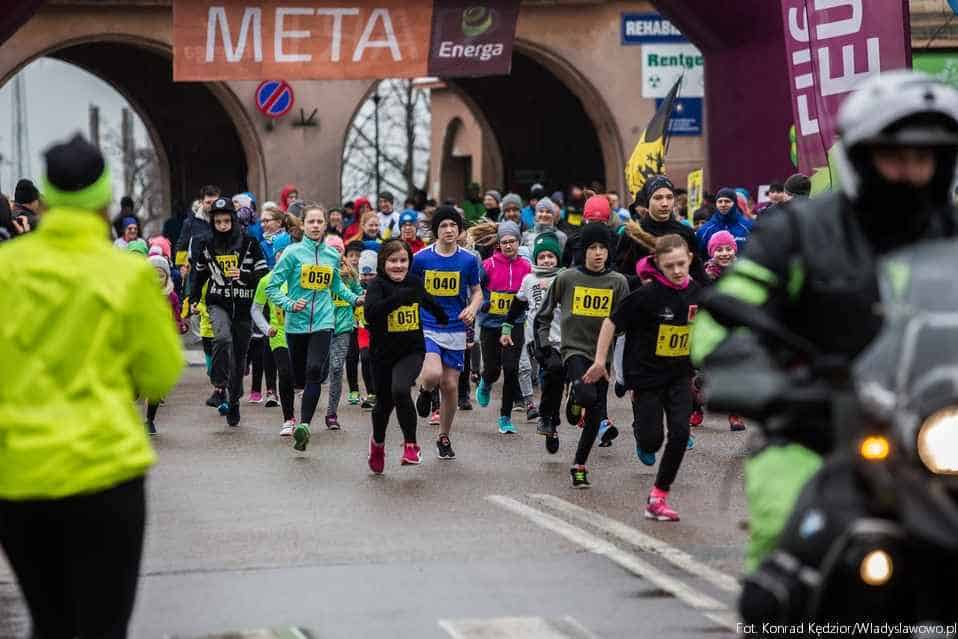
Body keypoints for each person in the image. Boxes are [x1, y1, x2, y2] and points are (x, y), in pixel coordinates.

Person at [691, 70, 958, 576]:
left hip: (930, 429)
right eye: (895, 157)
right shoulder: (799, 231)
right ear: (860, 158)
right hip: (816, 427)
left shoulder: (951, 233)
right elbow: (723, 315)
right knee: (789, 535)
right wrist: (757, 378)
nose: (910, 171)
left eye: (924, 158)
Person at [0, 133, 183, 638]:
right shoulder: (126, 275)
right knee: (104, 626)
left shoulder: (6, 269)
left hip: (19, 475)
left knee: (50, 622)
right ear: (103, 201)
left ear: (46, 201)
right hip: (106, 472)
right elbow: (160, 373)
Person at [584, 234, 698, 520]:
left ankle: (658, 496)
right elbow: (611, 322)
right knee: (651, 442)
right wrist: (599, 360)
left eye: (681, 264)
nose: (676, 271)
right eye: (669, 266)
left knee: (681, 434)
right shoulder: (647, 296)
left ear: (690, 260)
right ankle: (641, 429)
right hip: (647, 377)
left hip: (680, 375)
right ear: (658, 264)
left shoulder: (697, 292)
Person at [534, 223, 629, 488]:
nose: (598, 253)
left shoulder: (618, 282)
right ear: (583, 251)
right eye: (592, 248)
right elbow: (542, 315)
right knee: (587, 396)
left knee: (596, 412)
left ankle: (579, 465)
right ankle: (576, 395)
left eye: (603, 248)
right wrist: (543, 348)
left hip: (603, 356)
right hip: (573, 350)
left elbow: (626, 324)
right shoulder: (567, 278)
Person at [267, 204, 364, 452]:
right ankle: (294, 410)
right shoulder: (292, 253)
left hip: (324, 321)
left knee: (314, 371)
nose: (316, 226)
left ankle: (305, 426)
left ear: (325, 225)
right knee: (299, 376)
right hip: (296, 325)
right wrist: (289, 304)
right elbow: (272, 288)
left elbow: (337, 286)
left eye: (320, 221)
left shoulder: (332, 255)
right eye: (311, 222)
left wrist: (355, 299)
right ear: (303, 225)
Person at [364, 240, 449, 472]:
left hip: (411, 351)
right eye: (393, 261)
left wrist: (443, 316)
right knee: (383, 405)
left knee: (401, 390)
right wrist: (399, 299)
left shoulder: (414, 282)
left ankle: (411, 446)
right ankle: (377, 444)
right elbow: (371, 314)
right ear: (383, 263)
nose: (398, 265)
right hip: (382, 355)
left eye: (403, 260)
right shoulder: (377, 285)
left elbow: (429, 302)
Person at [412, 206, 483, 460]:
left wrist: (472, 308)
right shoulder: (421, 259)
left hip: (456, 327)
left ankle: (444, 436)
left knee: (450, 385)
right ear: (436, 231)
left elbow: (477, 291)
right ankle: (425, 390)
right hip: (428, 325)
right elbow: (410, 288)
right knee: (433, 373)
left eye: (453, 225)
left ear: (460, 230)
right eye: (444, 225)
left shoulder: (468, 260)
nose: (449, 230)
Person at [189, 197, 268, 426]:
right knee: (222, 339)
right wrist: (193, 298)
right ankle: (219, 387)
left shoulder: (250, 243)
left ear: (233, 220)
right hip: (218, 302)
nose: (222, 225)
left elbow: (263, 275)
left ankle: (233, 401)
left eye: (226, 221)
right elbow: (199, 274)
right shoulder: (207, 244)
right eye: (218, 221)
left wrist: (243, 275)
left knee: (239, 360)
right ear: (212, 222)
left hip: (243, 307)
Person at [503, 231, 564, 453]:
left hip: (564, 338)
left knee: (559, 380)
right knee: (551, 373)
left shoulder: (565, 278)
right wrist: (507, 326)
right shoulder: (529, 279)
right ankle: (547, 418)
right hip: (538, 338)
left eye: (551, 256)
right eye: (542, 257)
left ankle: (552, 422)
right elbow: (518, 303)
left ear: (558, 258)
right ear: (536, 259)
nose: (546, 260)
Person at [475, 221, 532, 434]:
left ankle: (505, 417)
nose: (508, 245)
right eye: (504, 242)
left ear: (519, 242)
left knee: (511, 369)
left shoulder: (526, 267)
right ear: (498, 244)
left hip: (515, 323)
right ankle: (486, 381)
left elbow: (530, 290)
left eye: (512, 241)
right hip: (490, 324)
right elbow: (475, 289)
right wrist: (483, 303)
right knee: (493, 369)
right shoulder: (488, 265)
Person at [617, 176, 709, 282]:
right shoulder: (633, 233)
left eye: (669, 197)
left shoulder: (685, 232)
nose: (665, 203)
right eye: (658, 198)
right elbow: (620, 274)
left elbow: (698, 272)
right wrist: (640, 281)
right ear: (647, 201)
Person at [252, 233, 298, 436]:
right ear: (275, 255)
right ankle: (288, 419)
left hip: (301, 333)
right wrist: (266, 328)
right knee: (285, 373)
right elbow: (255, 309)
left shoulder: (302, 277)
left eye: (289, 252)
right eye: (280, 253)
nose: (284, 257)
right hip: (278, 334)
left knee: (303, 375)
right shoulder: (267, 280)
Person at [146, 252, 188, 435]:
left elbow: (177, 318)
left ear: (167, 277)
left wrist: (180, 326)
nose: (157, 280)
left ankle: (150, 420)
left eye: (161, 275)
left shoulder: (172, 297)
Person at [324, 234, 363, 430]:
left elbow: (358, 294)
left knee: (337, 368)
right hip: (320, 326)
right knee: (318, 370)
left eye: (338, 250)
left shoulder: (350, 274)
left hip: (343, 327)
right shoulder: (320, 272)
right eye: (331, 250)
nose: (335, 254)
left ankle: (331, 414)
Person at [695, 187, 753, 256]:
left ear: (735, 203)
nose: (723, 205)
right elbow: (699, 256)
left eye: (727, 201)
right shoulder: (705, 230)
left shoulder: (748, 227)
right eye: (720, 201)